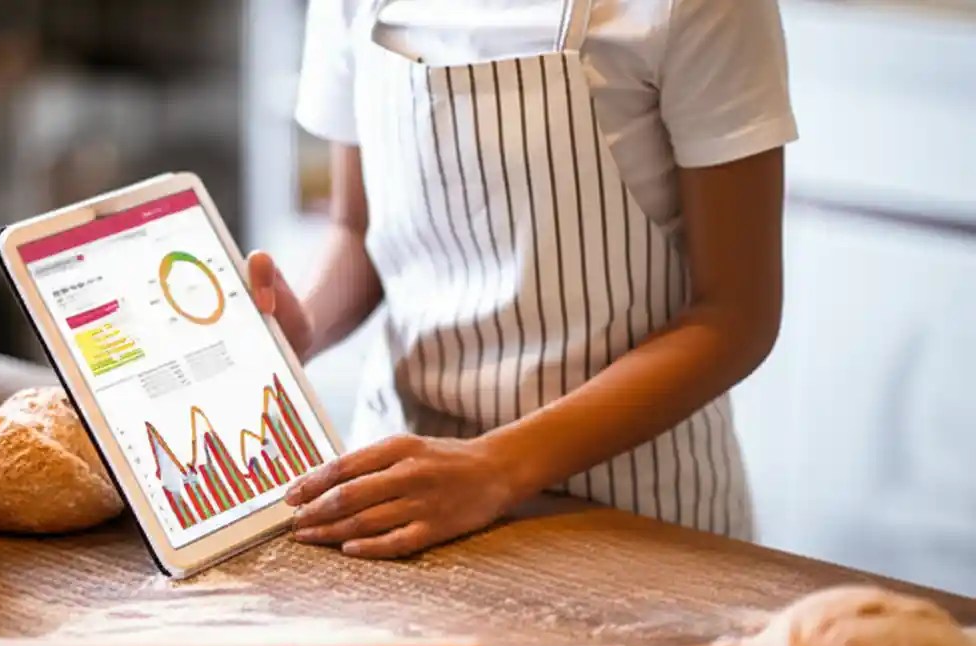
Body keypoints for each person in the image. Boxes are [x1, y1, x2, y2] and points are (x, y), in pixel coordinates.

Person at [248, 0, 797, 559]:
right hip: (397, 499)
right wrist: (302, 328)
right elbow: (357, 229)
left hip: (636, 512)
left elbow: (735, 316)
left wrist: (496, 467)